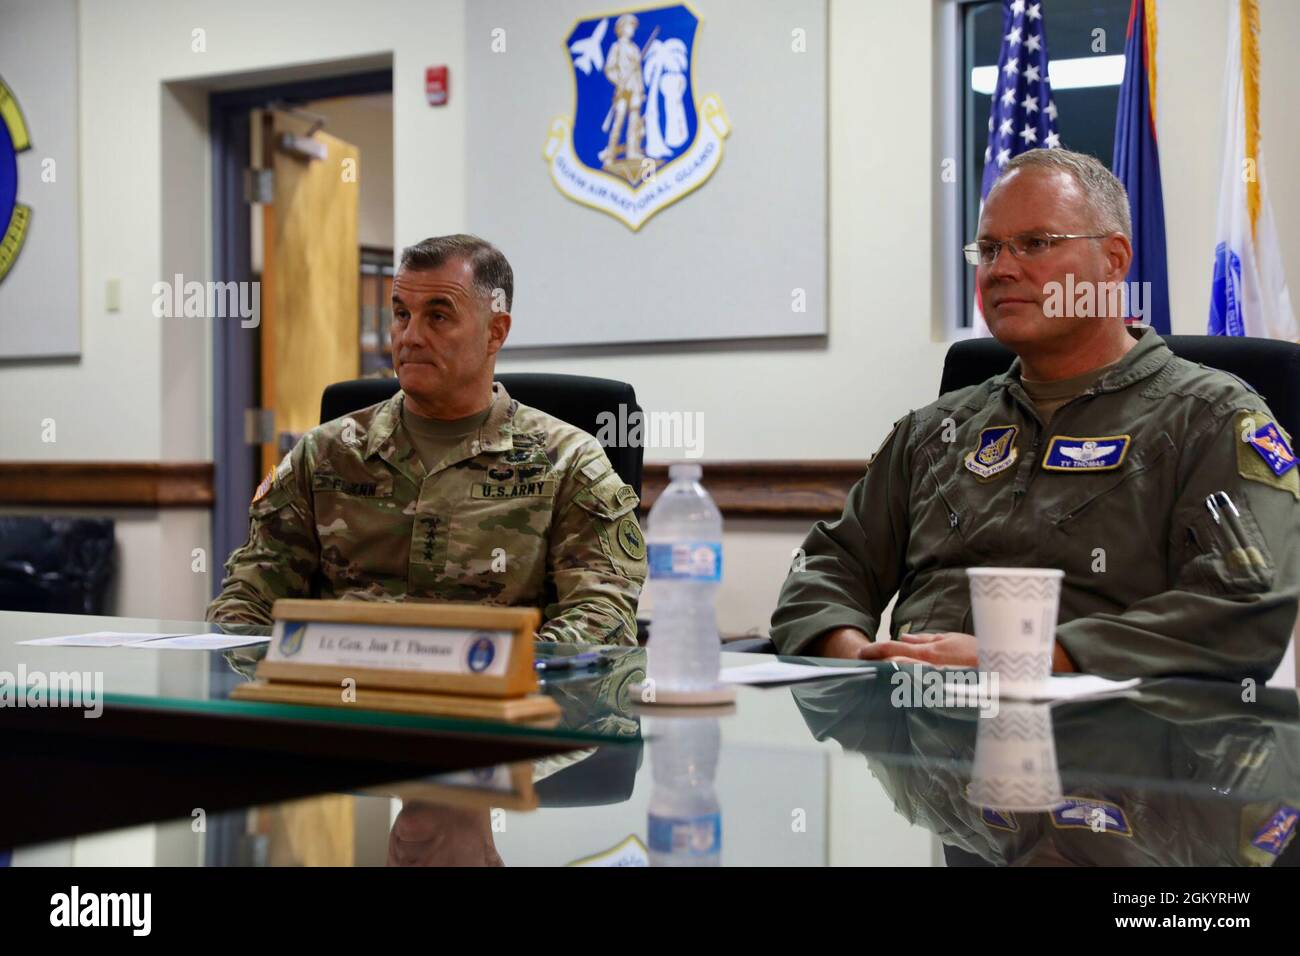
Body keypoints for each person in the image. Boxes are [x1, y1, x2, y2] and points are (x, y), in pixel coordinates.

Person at [770, 149, 1299, 681]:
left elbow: (1245, 602)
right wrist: (857, 659)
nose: (1001, 269)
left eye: (1036, 244)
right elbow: (823, 569)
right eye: (990, 248)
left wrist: (1020, 660)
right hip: (917, 738)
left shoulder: (1210, 420)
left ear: (1114, 259)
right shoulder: (934, 432)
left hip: (1117, 749)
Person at [208, 234, 646, 645]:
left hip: (500, 710)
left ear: (495, 331)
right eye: (401, 314)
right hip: (344, 703)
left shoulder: (567, 461)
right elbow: (247, 599)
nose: (410, 337)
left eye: (438, 316)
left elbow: (602, 617)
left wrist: (499, 669)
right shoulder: (325, 453)